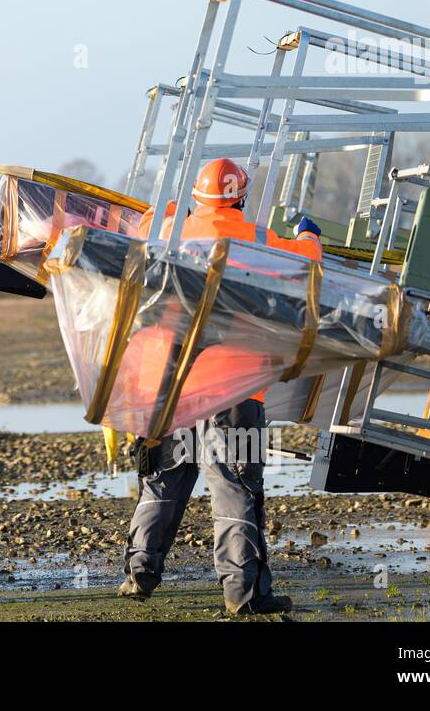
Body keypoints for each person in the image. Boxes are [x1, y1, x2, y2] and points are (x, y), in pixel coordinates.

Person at [120, 157, 322, 615]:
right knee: (234, 489)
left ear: (197, 195)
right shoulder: (256, 240)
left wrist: (173, 211)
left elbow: (144, 224)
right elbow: (306, 261)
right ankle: (242, 594)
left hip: (168, 388)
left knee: (162, 483)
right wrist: (309, 232)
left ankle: (139, 573)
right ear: (241, 197)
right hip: (234, 391)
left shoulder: (170, 230)